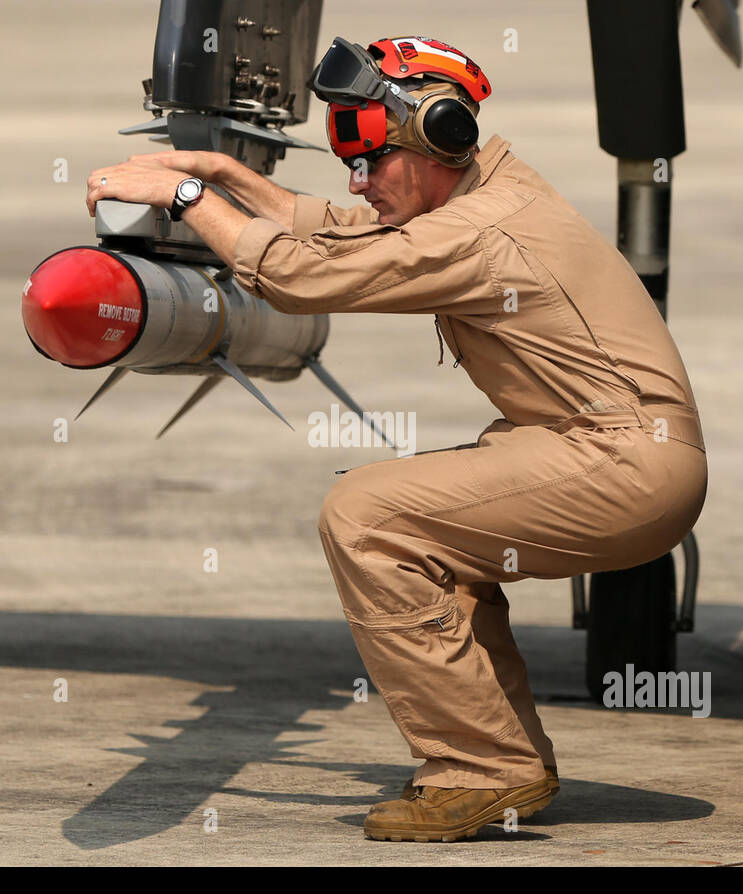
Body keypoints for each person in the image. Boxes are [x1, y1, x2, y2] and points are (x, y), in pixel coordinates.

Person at [85, 34, 707, 843]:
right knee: (421, 532)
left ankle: (482, 770)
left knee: (367, 514)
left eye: (372, 158)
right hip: (599, 451)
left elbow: (303, 279)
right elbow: (347, 230)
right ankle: (500, 762)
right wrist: (228, 177)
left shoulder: (482, 232)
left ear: (439, 136)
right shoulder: (486, 195)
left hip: (622, 464)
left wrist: (184, 203)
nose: (359, 179)